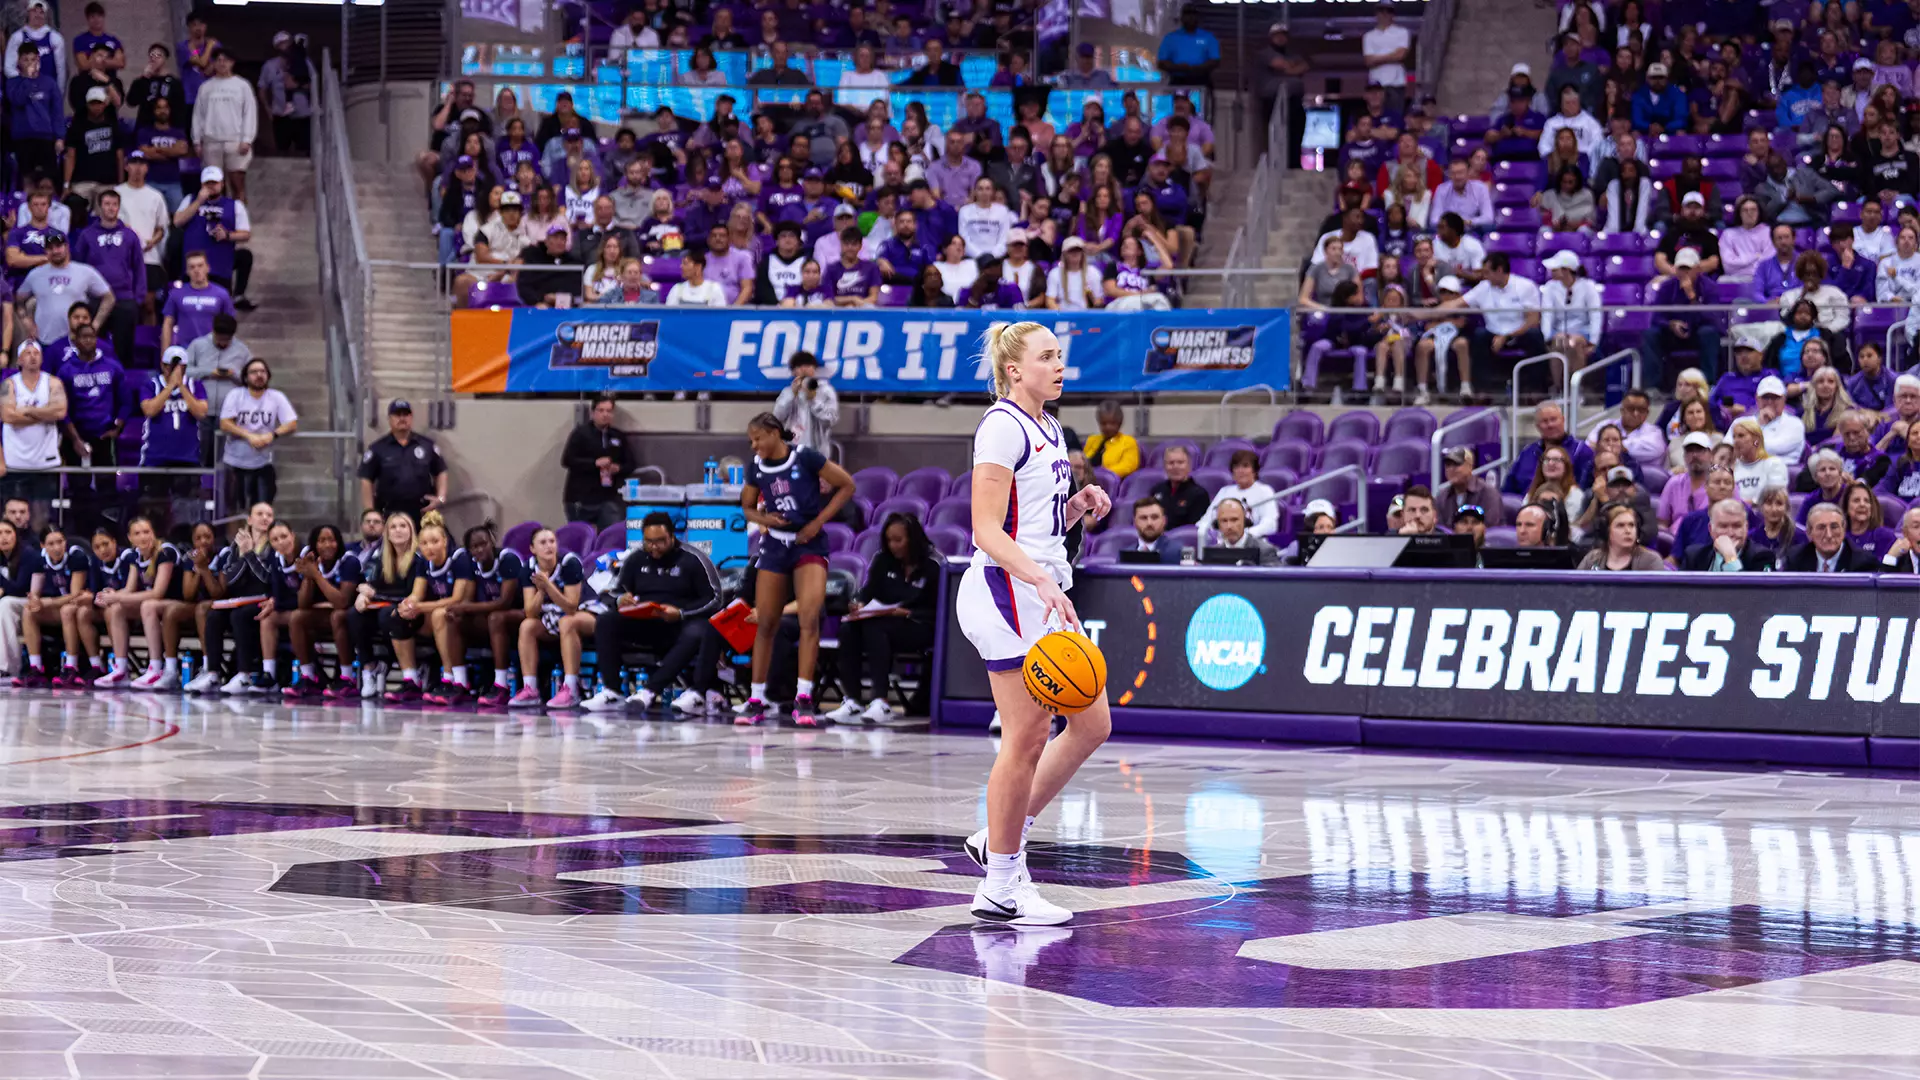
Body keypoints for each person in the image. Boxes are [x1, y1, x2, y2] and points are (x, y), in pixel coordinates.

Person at [954, 321, 1112, 926]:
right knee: (1026, 737)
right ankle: (1000, 884)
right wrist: (1040, 579)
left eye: (1060, 355)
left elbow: (1035, 523)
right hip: (1007, 588)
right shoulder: (1002, 425)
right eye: (1047, 357)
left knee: (1092, 724)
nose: (1059, 365)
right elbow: (986, 529)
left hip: (1041, 589)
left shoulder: (1049, 426)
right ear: (1014, 369)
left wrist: (1075, 508)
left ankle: (997, 836)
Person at [738, 411, 854, 726]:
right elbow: (747, 507)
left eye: (757, 439)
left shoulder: (805, 457)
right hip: (776, 545)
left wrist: (817, 523)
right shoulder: (756, 467)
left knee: (809, 618)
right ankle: (756, 699)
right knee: (766, 622)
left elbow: (847, 485)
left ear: (774, 433)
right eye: (751, 441)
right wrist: (765, 519)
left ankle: (804, 697)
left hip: (808, 544)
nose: (754, 446)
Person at [576, 512, 725, 715]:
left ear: (672, 537)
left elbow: (715, 599)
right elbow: (614, 593)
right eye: (649, 542)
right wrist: (621, 600)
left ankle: (650, 691)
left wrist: (681, 613)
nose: (654, 547)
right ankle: (612, 692)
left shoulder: (693, 559)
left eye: (660, 541)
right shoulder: (636, 559)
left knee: (699, 630)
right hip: (646, 621)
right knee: (606, 621)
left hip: (681, 623)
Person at [819, 512, 944, 722]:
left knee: (875, 628)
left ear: (913, 539)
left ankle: (881, 700)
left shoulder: (933, 565)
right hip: (885, 620)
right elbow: (869, 591)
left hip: (920, 625)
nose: (893, 545)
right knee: (849, 629)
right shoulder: (883, 560)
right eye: (889, 540)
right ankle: (853, 701)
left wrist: (910, 612)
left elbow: (941, 607)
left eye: (898, 540)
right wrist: (859, 602)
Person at [135, 346, 207, 527]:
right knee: (153, 510)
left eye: (179, 367)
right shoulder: (151, 385)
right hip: (155, 458)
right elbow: (150, 409)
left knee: (186, 511)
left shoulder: (195, 386)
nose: (174, 370)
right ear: (163, 366)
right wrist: (170, 387)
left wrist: (181, 386)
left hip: (187, 458)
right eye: (171, 366)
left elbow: (201, 412)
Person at [10, 526, 88, 687]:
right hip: (57, 610)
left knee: (67, 610)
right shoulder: (40, 559)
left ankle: (71, 667)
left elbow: (75, 595)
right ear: (43, 545)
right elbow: (35, 592)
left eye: (60, 542)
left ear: (65, 541)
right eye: (51, 544)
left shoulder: (76, 556)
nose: (57, 547)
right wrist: (34, 600)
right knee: (29, 610)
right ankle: (35, 667)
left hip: (78, 609)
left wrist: (49, 602)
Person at [218, 357, 296, 508]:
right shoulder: (236, 395)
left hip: (263, 463)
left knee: (263, 509)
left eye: (262, 371)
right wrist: (249, 436)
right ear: (246, 377)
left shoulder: (276, 397)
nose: (259, 375)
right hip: (235, 463)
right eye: (254, 372)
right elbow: (225, 423)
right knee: (235, 510)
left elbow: (292, 423)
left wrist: (272, 435)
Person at [1, 341, 65, 518]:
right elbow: (8, 417)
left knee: (41, 516)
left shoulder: (53, 383)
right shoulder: (9, 384)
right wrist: (45, 414)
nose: (32, 357)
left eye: (36, 353)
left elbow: (60, 412)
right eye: (28, 353)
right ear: (19, 359)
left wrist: (27, 410)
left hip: (45, 464)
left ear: (42, 358)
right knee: (13, 516)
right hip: (15, 463)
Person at [16, 232, 111, 345]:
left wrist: (95, 325)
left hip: (78, 341)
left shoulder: (85, 271)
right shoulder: (35, 275)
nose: (55, 251)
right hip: (45, 340)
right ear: (45, 251)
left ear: (66, 247)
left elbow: (109, 297)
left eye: (58, 246)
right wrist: (26, 320)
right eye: (50, 248)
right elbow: (19, 300)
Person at [359, 399, 447, 520]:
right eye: (397, 414)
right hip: (389, 512)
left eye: (405, 414)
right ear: (389, 419)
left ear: (411, 417)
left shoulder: (427, 445)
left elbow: (441, 471)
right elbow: (366, 479)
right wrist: (370, 513)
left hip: (422, 511)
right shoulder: (377, 448)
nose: (402, 418)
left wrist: (440, 498)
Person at [191, 51, 256, 202]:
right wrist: (197, 140)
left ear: (232, 62)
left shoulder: (242, 85)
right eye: (218, 60)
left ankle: (240, 215)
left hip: (235, 140)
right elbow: (198, 115)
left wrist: (247, 139)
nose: (222, 63)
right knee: (215, 186)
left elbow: (249, 113)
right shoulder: (206, 87)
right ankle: (219, 215)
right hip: (211, 141)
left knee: (237, 183)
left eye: (225, 60)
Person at [560, 395, 627, 530]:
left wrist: (618, 468)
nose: (605, 414)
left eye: (609, 411)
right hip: (580, 498)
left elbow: (630, 464)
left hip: (607, 498)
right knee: (580, 536)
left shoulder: (617, 436)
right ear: (592, 413)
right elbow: (567, 460)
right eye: (601, 410)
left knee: (611, 535)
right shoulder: (580, 434)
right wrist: (594, 463)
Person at [1504, 401, 1594, 494]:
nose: (1550, 425)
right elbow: (1508, 491)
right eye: (1545, 421)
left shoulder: (1582, 451)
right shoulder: (1527, 453)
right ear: (1537, 426)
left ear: (1563, 420)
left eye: (1554, 419)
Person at [159, 251, 235, 350]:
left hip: (213, 351)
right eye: (192, 267)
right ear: (187, 271)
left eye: (200, 266)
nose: (196, 270)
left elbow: (229, 325)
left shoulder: (222, 294)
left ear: (208, 268)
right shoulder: (176, 294)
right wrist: (165, 353)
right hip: (185, 350)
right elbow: (167, 324)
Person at [772, 350, 838, 460]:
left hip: (818, 451)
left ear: (814, 369)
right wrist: (792, 395)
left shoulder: (826, 391)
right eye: (799, 366)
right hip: (791, 451)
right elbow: (778, 417)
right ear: (793, 372)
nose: (803, 369)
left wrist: (813, 400)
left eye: (808, 365)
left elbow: (830, 420)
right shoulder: (787, 392)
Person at [1196, 450, 1278, 539]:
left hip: (1251, 541)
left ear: (1254, 471)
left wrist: (1243, 535)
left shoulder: (1265, 491)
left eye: (1245, 466)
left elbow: (1270, 525)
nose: (1240, 471)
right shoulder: (1225, 491)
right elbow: (1206, 519)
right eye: (1236, 467)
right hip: (1221, 540)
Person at [1681, 498, 1776, 570]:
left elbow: (1748, 590)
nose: (1730, 533)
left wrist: (1730, 558)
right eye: (1723, 526)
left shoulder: (1763, 557)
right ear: (1711, 529)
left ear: (1746, 528)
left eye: (1736, 526)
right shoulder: (1694, 556)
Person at [1783, 503, 1878, 571]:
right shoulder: (1795, 559)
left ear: (1843, 530)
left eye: (1834, 527)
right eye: (1821, 528)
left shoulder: (1863, 563)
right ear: (1809, 533)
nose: (1829, 535)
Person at [1576, 503, 1665, 570]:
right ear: (1606, 531)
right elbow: (1576, 587)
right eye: (1620, 525)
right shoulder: (1592, 559)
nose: (1628, 531)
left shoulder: (1650, 560)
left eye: (1631, 525)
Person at [1435, 446, 1503, 525]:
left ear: (1470, 466)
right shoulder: (1442, 497)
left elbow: (1490, 526)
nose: (1451, 469)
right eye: (1448, 465)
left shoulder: (1488, 494)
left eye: (1456, 464)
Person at [1729, 416, 1789, 503]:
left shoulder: (1774, 464)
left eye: (1741, 436)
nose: (1736, 441)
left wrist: (1748, 504)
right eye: (1734, 437)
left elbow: (1776, 496)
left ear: (1756, 439)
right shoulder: (1733, 467)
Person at [1205, 498, 1282, 565]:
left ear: (1244, 521)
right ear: (1218, 524)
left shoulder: (1265, 551)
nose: (1229, 526)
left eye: (1234, 520)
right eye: (1224, 521)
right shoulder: (1213, 553)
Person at [1150, 445, 1210, 528]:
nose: (1175, 467)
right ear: (1165, 466)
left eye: (1180, 462)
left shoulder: (1199, 495)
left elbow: (1194, 529)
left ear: (1189, 466)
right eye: (1171, 463)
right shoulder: (1157, 490)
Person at [1080, 401, 1140, 479]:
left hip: (1113, 481)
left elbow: (1127, 467)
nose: (1108, 427)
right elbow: (1082, 463)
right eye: (1104, 423)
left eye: (1112, 423)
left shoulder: (1129, 442)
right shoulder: (1092, 440)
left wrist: (1100, 473)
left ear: (1120, 423)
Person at [1122, 498, 1182, 564]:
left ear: (1164, 521)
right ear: (1134, 522)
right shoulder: (1123, 557)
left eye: (1154, 517)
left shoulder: (1182, 552)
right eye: (1143, 518)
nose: (1149, 523)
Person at [1880, 506, 1920, 572]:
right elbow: (1883, 577)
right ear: (1905, 533)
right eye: (1916, 526)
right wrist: (1891, 557)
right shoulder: (1899, 560)